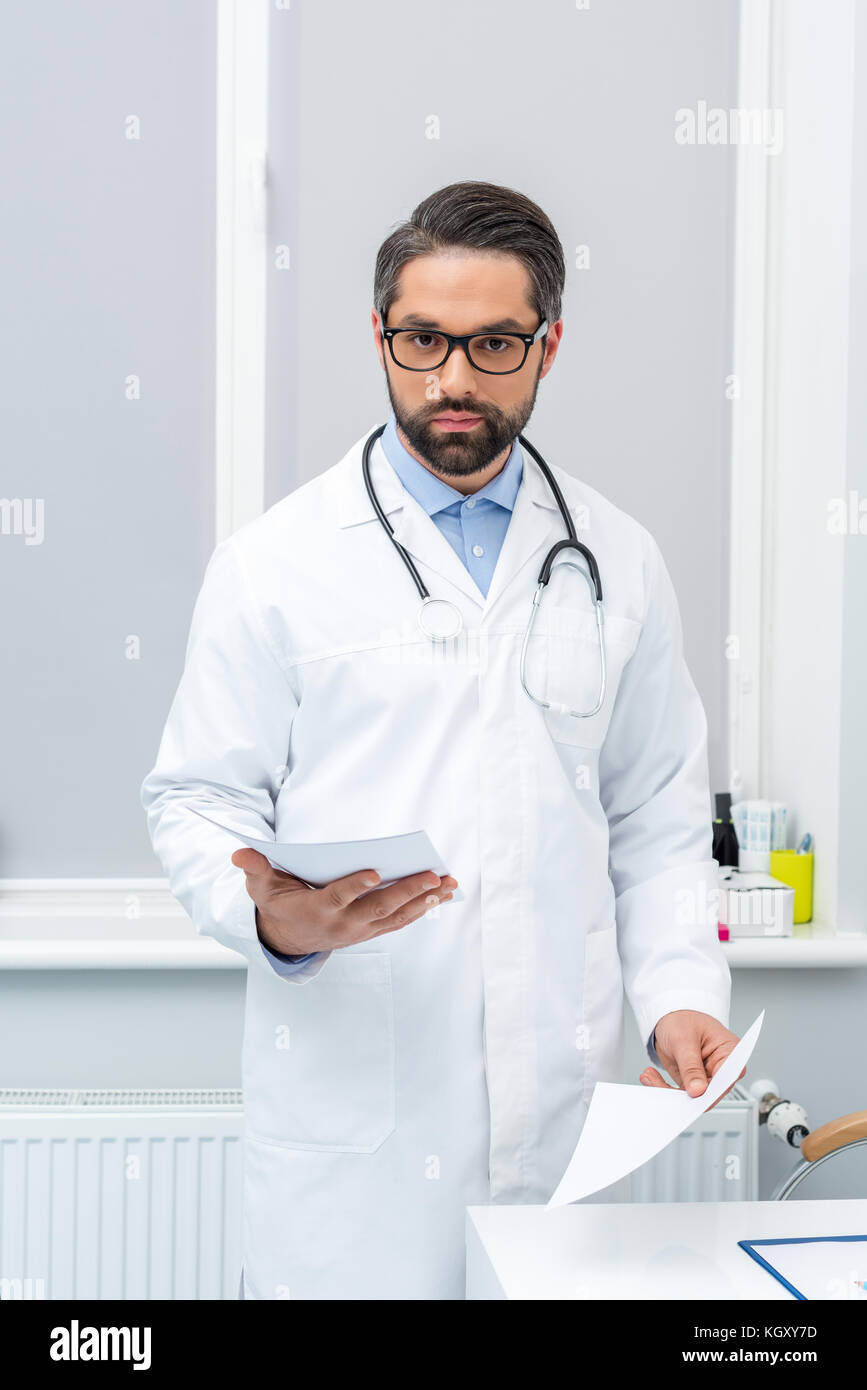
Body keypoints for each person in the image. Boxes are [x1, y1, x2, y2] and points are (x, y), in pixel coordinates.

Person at [141, 180, 740, 1301]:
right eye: (423, 339)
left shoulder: (619, 559)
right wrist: (272, 912)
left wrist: (678, 997)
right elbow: (197, 801)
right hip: (352, 1136)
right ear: (380, 335)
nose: (454, 379)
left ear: (548, 347)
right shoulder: (275, 564)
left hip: (558, 1121)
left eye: (495, 343)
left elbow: (658, 820)